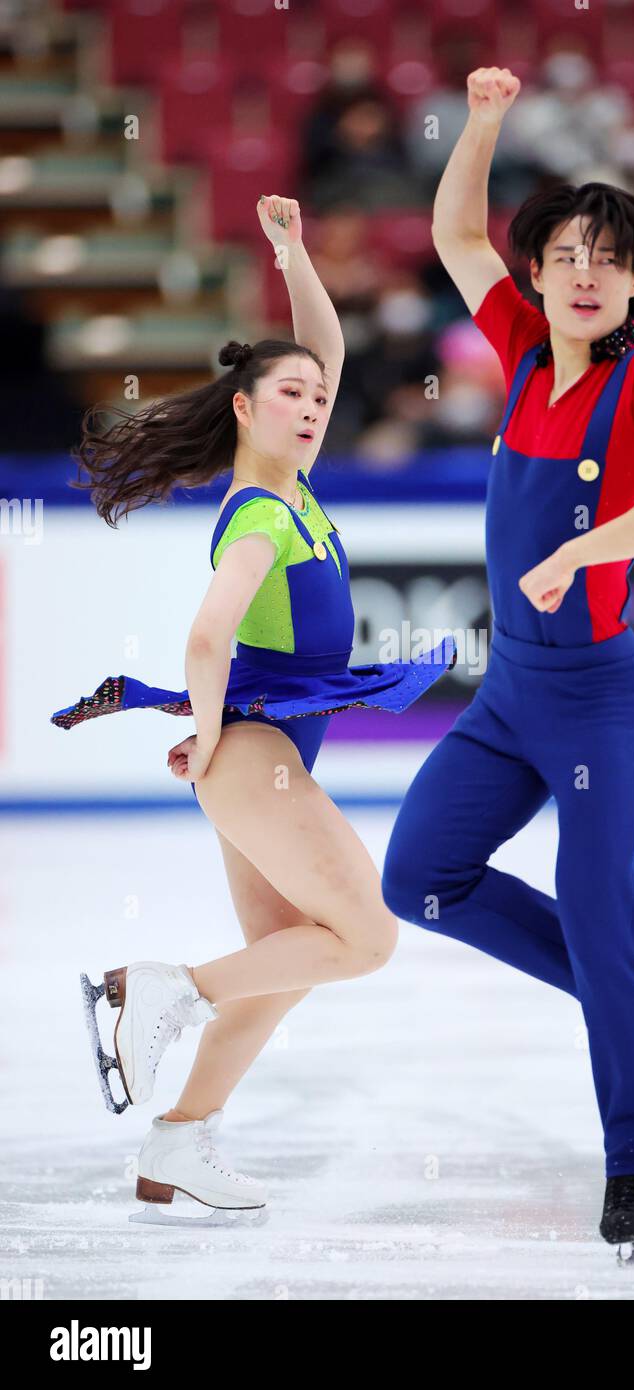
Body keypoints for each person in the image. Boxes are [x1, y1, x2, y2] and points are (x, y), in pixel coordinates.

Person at [51, 195, 455, 1226]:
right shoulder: (262, 514)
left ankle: (179, 1139)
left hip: (261, 761)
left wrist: (290, 256)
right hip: (256, 757)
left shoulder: (294, 483)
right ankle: (160, 987)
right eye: (289, 395)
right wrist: (220, 733)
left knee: (284, 962)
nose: (313, 403)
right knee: (364, 938)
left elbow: (317, 344)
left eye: (319, 397)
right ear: (244, 406)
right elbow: (205, 635)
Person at [381, 69, 634, 1261]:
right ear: (538, 275)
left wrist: (586, 542)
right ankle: (630, 965)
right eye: (563, 253)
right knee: (416, 879)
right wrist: (481, 122)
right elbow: (451, 230)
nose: (581, 272)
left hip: (595, 699)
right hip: (508, 693)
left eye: (606, 258)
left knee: (588, 898)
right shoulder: (521, 344)